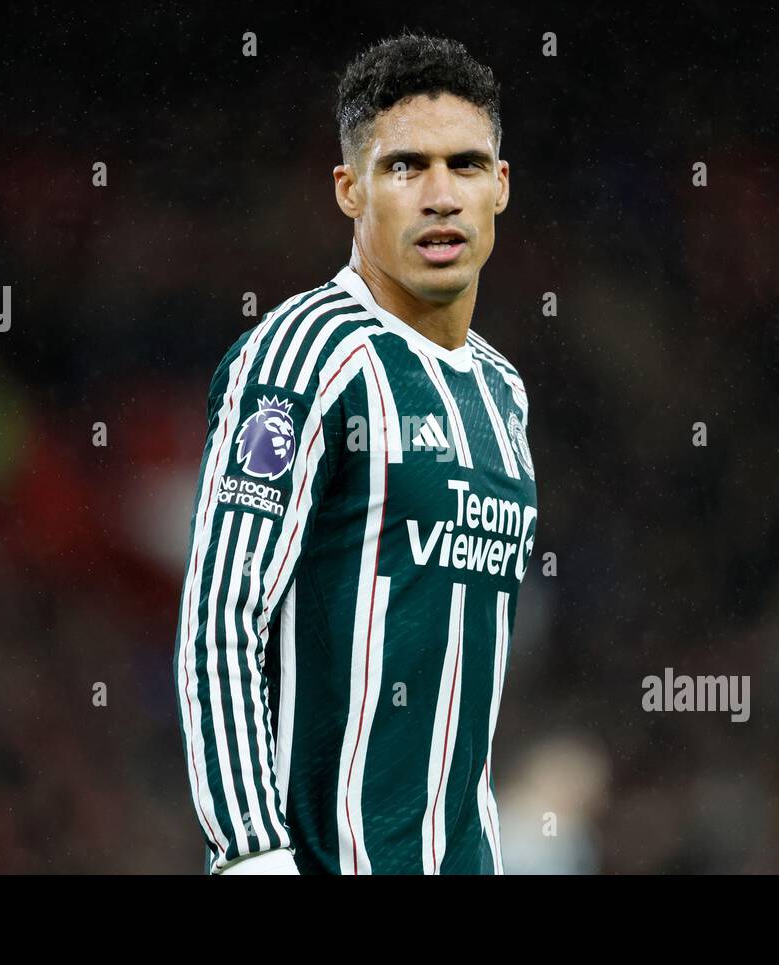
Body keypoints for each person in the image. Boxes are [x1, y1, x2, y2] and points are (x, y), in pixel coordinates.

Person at [173, 31, 537, 874]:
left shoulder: (503, 391)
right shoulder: (302, 357)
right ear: (349, 189)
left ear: (502, 186)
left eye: (467, 165)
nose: (441, 195)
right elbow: (219, 616)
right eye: (405, 167)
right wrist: (251, 855)